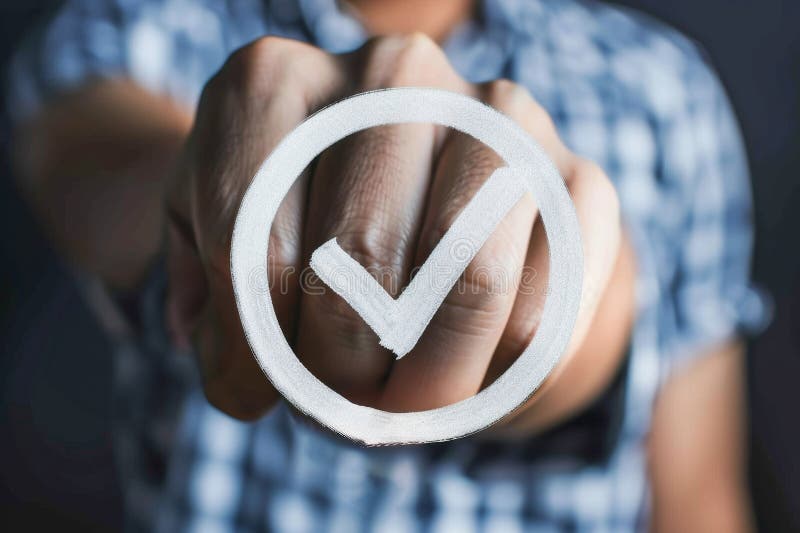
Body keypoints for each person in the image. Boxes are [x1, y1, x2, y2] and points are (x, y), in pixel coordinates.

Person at [7, 0, 767, 530]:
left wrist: (564, 323)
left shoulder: (662, 90)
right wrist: (220, 187)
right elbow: (96, 161)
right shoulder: (136, 23)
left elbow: (699, 500)